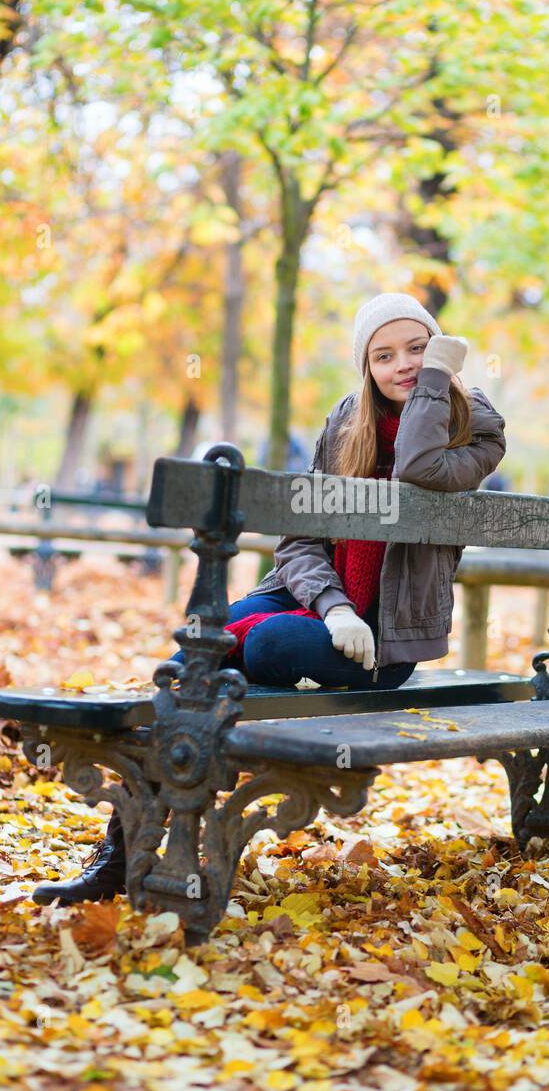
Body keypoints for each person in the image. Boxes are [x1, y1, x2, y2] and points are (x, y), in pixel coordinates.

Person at [32, 291, 507, 905]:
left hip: (385, 642)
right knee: (195, 659)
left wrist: (437, 380)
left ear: (441, 354)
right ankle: (120, 852)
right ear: (366, 366)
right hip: (319, 607)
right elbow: (301, 538)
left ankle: (155, 838)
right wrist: (333, 606)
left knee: (267, 641)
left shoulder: (477, 429)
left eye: (418, 349)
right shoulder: (345, 423)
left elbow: (418, 466)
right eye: (384, 355)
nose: (403, 365)